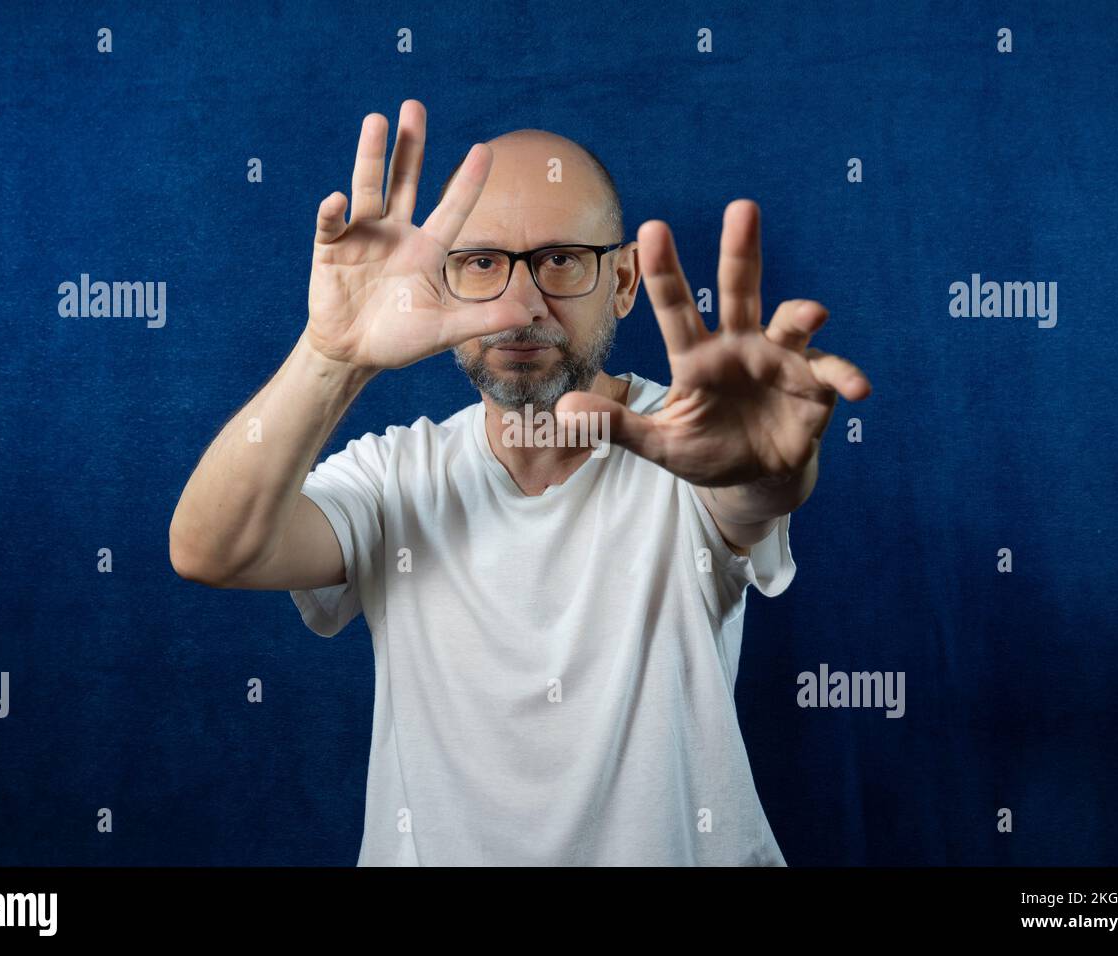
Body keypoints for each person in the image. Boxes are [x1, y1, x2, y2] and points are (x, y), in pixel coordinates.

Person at [169, 98, 872, 865]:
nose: (520, 305)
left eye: (561, 259)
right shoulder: (394, 475)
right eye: (481, 263)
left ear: (626, 280)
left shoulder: (689, 444)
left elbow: (748, 495)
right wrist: (334, 354)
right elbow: (214, 550)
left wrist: (768, 471)